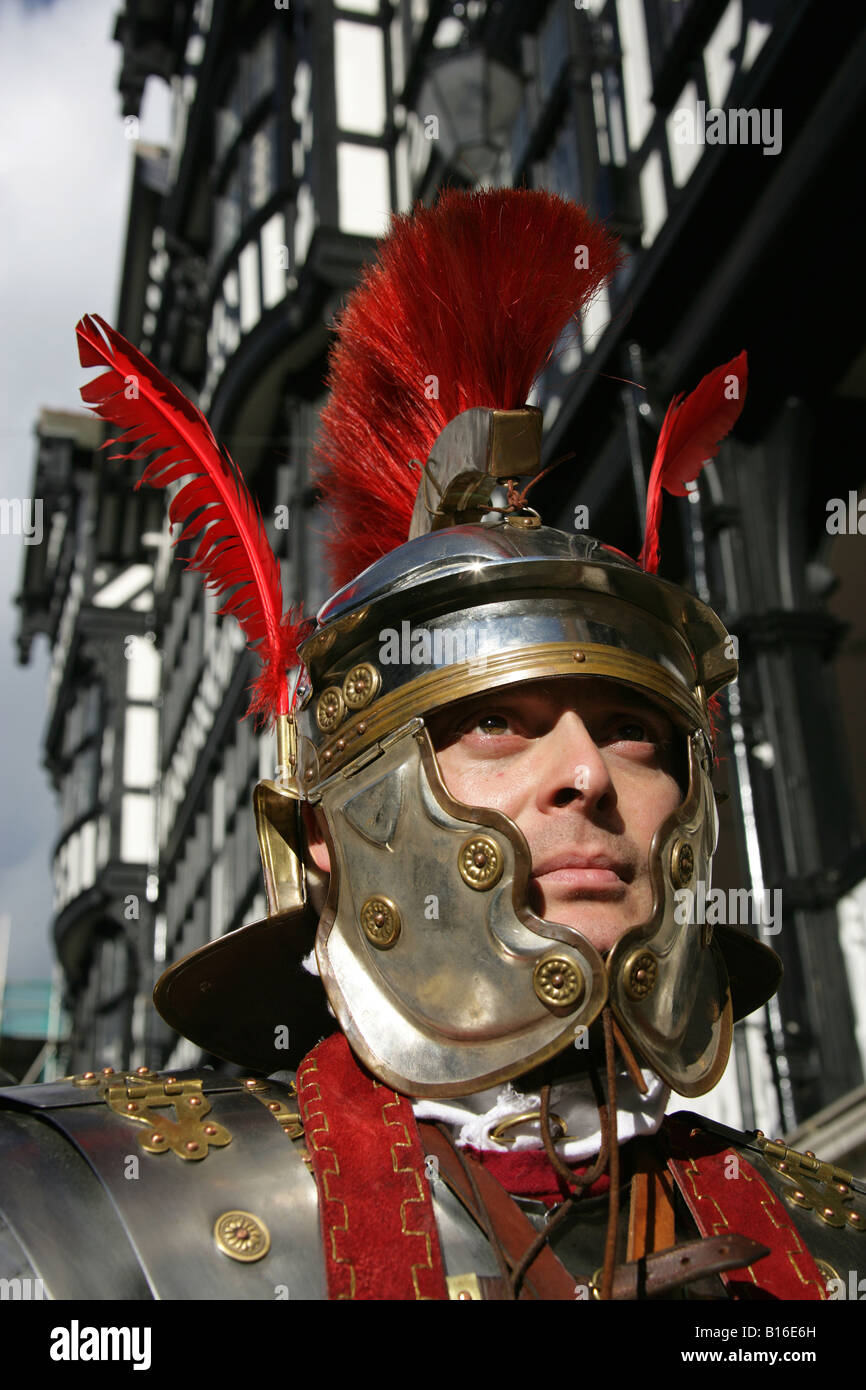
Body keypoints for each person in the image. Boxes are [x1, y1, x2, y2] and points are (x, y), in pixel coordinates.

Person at [1, 189, 862, 1302]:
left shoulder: (826, 1240)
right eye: (497, 721)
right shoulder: (78, 1213)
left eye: (632, 731)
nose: (588, 775)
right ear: (321, 835)